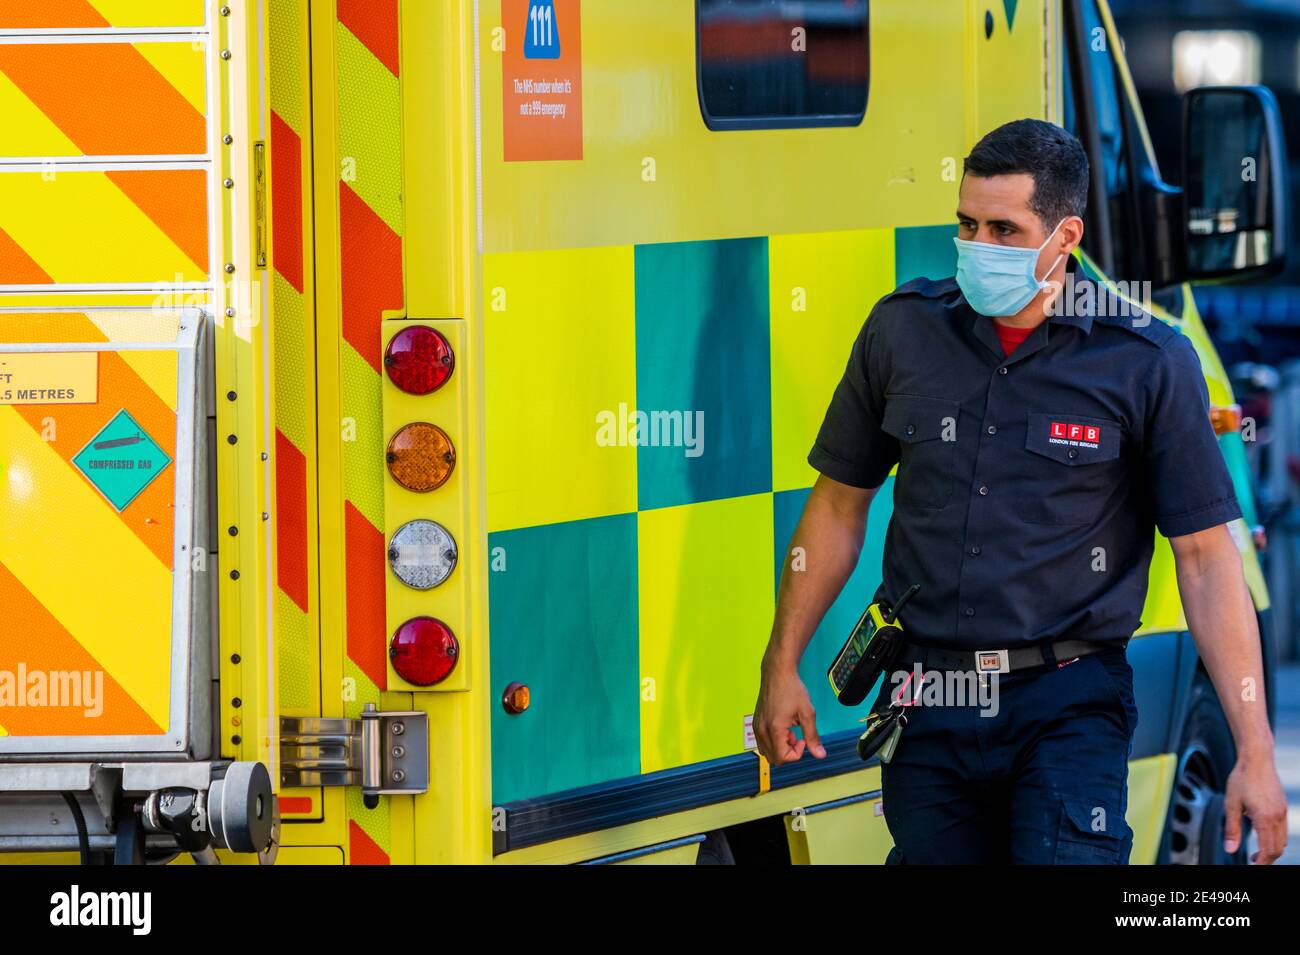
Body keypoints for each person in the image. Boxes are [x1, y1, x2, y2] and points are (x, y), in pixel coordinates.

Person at [752, 118, 1288, 864]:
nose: (980, 246)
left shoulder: (1146, 361)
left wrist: (1254, 746)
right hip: (930, 698)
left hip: (1067, 704)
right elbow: (839, 507)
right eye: (967, 224)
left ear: (1065, 236)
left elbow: (1205, 558)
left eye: (1005, 229)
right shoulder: (902, 333)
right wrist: (780, 664)